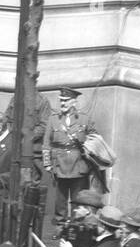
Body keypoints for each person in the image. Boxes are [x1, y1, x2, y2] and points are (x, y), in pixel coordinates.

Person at [41, 87, 98, 219]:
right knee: (60, 199)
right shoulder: (53, 119)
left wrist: (90, 159)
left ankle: (75, 225)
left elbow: (95, 140)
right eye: (61, 100)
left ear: (74, 102)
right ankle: (60, 225)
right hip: (59, 164)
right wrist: (47, 164)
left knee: (77, 198)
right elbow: (46, 143)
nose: (63, 103)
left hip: (79, 164)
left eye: (66, 101)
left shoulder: (84, 119)